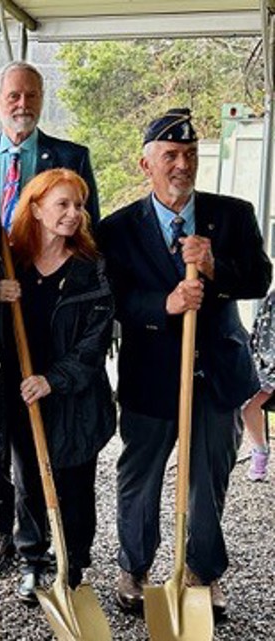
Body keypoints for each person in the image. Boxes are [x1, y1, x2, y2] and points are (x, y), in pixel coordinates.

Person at [97, 108, 272, 619]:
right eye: (170, 155)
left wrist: (216, 264)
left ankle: (204, 572)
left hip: (217, 373)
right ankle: (135, 566)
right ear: (145, 164)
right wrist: (164, 305)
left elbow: (259, 280)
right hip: (152, 377)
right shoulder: (119, 229)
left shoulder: (232, 215)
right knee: (141, 475)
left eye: (190, 155)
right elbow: (113, 300)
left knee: (208, 479)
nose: (182, 165)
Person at [0, 61, 102, 573]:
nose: (23, 104)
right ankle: (3, 523)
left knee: (45, 426)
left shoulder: (70, 158)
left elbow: (91, 235)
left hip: (48, 306)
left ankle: (56, 542)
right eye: (14, 95)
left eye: (32, 95)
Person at [0, 169, 115, 603]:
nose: (73, 214)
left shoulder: (90, 269)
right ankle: (32, 558)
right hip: (22, 392)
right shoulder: (11, 263)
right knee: (28, 481)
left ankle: (72, 562)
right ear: (37, 208)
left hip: (73, 397)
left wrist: (53, 379)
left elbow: (94, 343)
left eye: (78, 205)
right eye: (62, 204)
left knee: (74, 482)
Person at [241, 289, 275, 482]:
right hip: (267, 366)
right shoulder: (273, 298)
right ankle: (260, 452)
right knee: (247, 403)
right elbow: (259, 339)